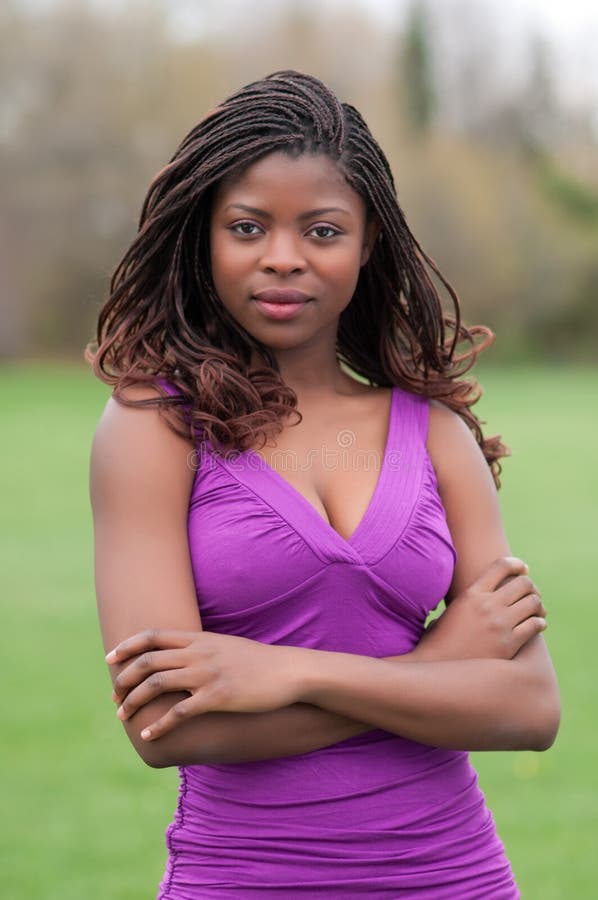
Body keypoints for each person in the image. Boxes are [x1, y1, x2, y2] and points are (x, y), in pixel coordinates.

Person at [87, 70, 560, 898]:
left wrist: (297, 674)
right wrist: (440, 663)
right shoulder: (152, 429)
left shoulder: (433, 430)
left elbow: (527, 708)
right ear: (206, 237)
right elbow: (163, 727)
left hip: (453, 877)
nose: (283, 259)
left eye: (322, 231)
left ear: (369, 241)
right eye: (247, 227)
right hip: (244, 878)